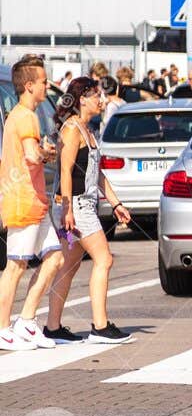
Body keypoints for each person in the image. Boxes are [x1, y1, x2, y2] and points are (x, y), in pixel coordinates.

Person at [42, 78, 133, 344]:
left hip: (81, 205)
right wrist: (67, 210)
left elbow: (97, 173)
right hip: (76, 207)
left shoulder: (87, 129)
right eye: (96, 96)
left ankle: (53, 327)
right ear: (82, 99)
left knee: (69, 265)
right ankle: (100, 327)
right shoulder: (72, 129)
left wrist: (116, 203)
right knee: (104, 259)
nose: (101, 100)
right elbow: (66, 171)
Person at [0, 56, 66, 351]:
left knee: (55, 258)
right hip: (23, 199)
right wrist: (45, 153)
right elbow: (30, 154)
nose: (47, 86)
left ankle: (26, 321)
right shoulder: (26, 116)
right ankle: (2, 328)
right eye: (43, 81)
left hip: (33, 200)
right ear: (29, 85)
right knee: (16, 265)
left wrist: (41, 152)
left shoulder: (20, 115)